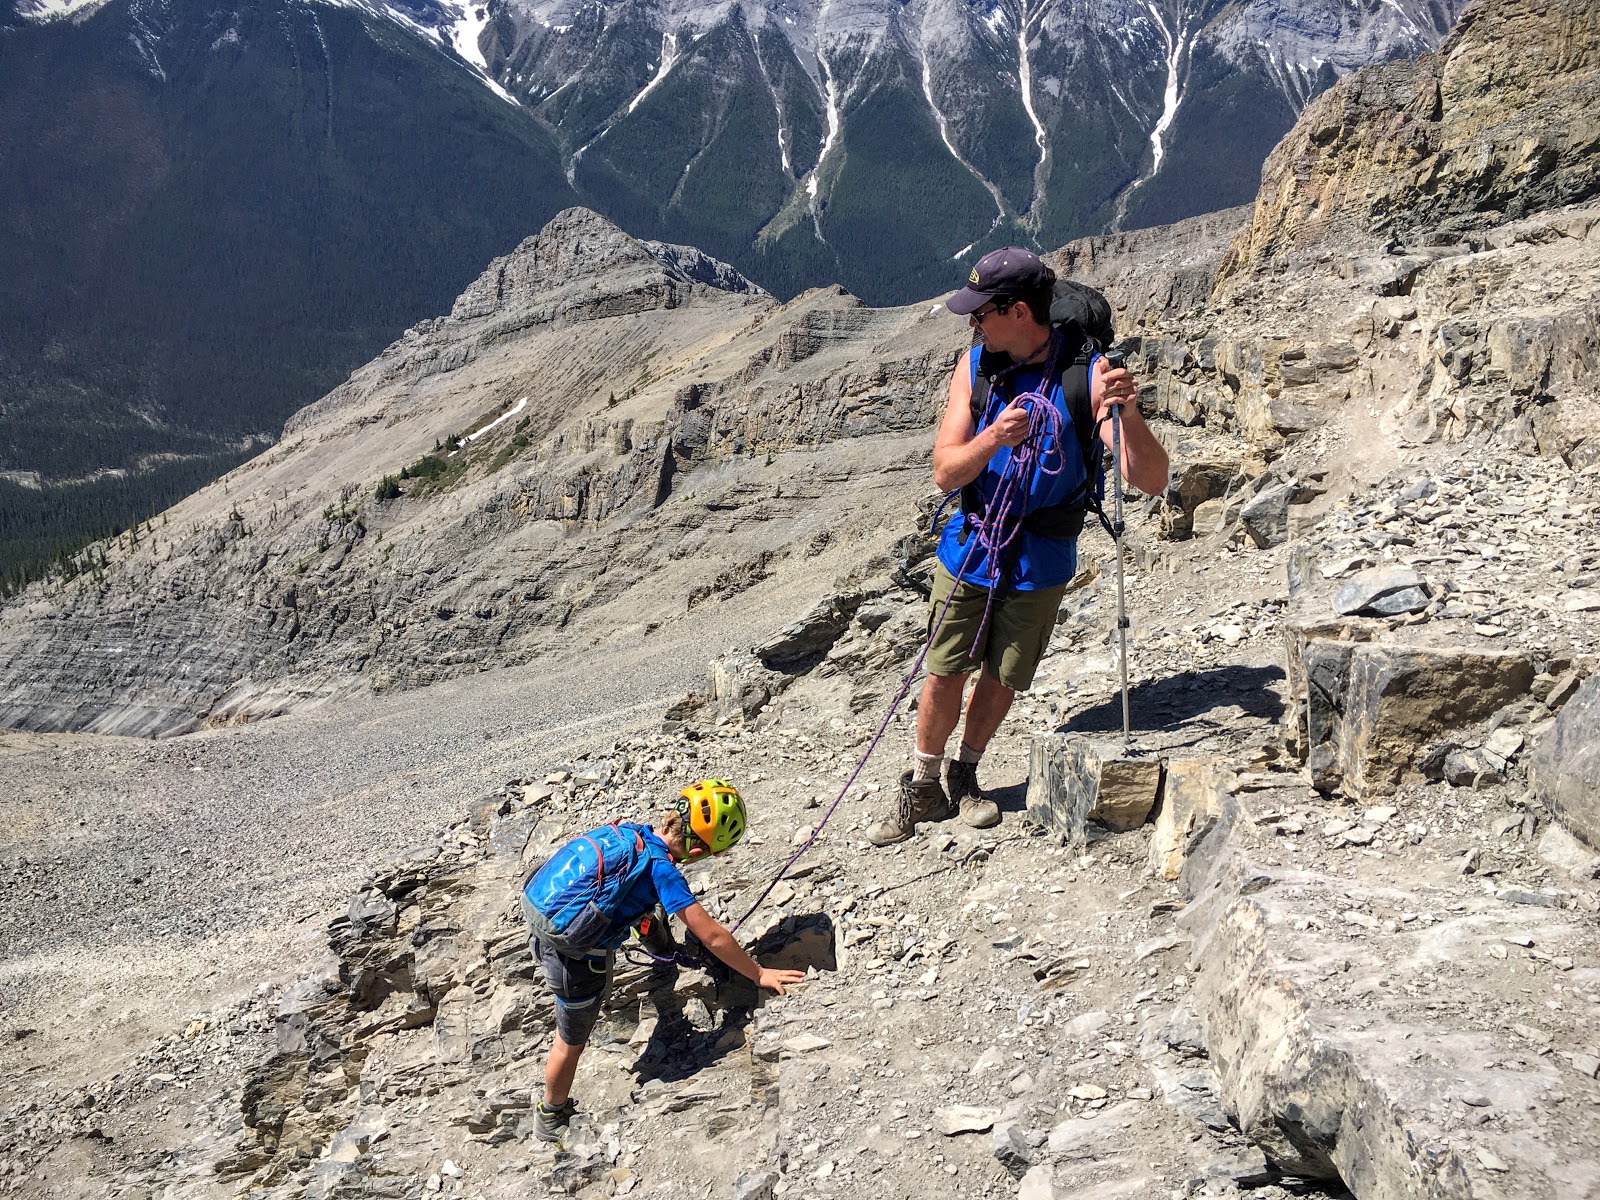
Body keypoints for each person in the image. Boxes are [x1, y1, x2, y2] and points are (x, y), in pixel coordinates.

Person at [867, 248, 1170, 846]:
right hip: (974, 542)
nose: (973, 323)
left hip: (1042, 554)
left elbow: (1151, 479)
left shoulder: (1085, 375)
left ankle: (966, 772)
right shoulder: (976, 366)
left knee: (1004, 674)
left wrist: (1128, 413)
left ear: (1019, 312)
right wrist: (993, 439)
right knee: (944, 669)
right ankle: (924, 785)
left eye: (982, 313)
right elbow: (946, 472)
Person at [519, 779, 806, 1141]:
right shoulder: (662, 870)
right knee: (568, 1043)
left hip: (543, 921)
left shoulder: (632, 833)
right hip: (573, 962)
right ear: (697, 851)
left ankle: (652, 937)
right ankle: (550, 1115)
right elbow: (713, 936)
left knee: (645, 913)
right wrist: (758, 973)